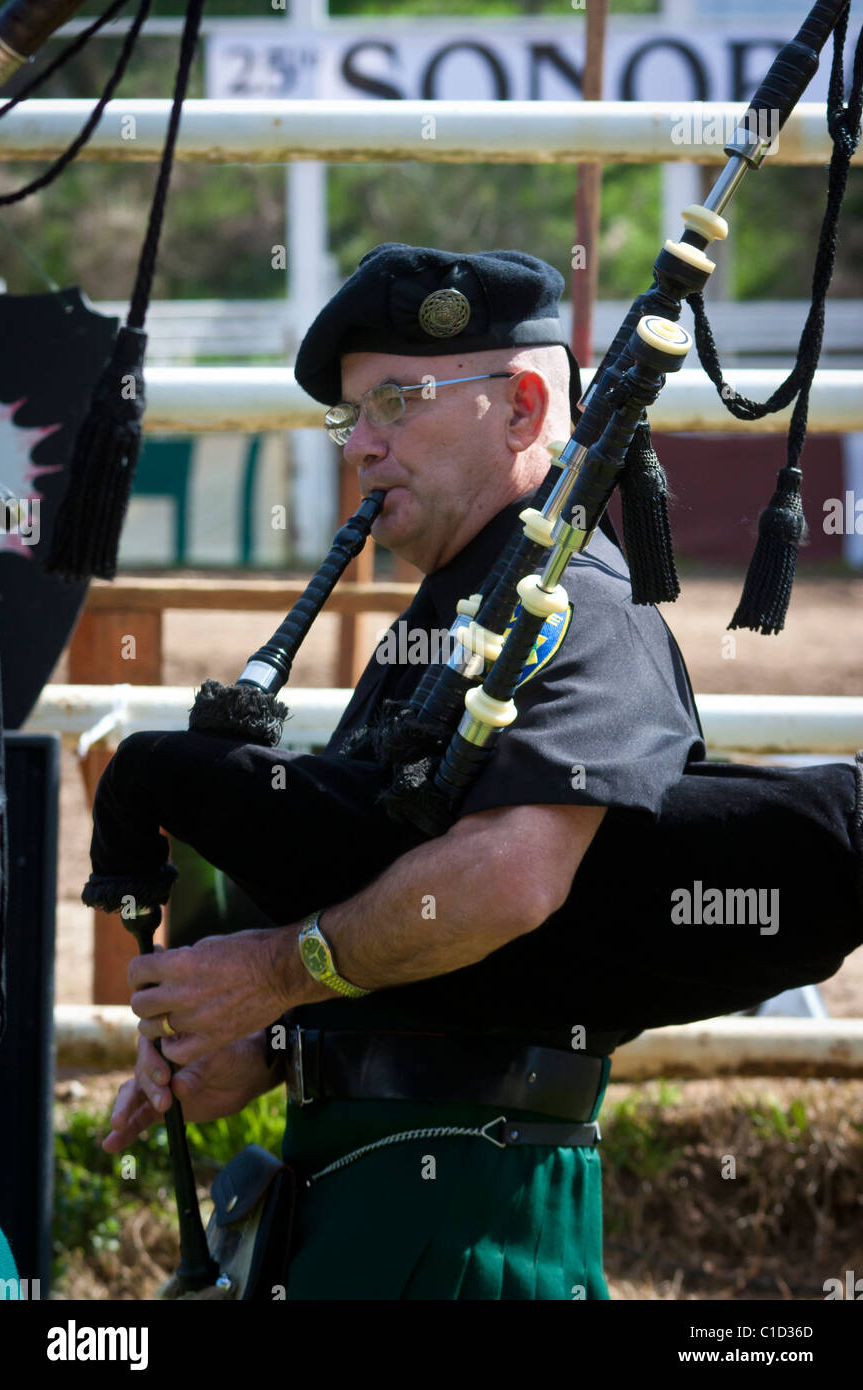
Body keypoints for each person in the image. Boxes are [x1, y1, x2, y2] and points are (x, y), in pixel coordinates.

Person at [98, 244, 737, 1300]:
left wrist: (271, 973)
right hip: (354, 1187)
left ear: (524, 408)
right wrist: (254, 1044)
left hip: (474, 1206)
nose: (364, 445)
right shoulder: (443, 627)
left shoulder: (577, 611)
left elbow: (507, 876)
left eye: (395, 400)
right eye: (351, 416)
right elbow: (388, 916)